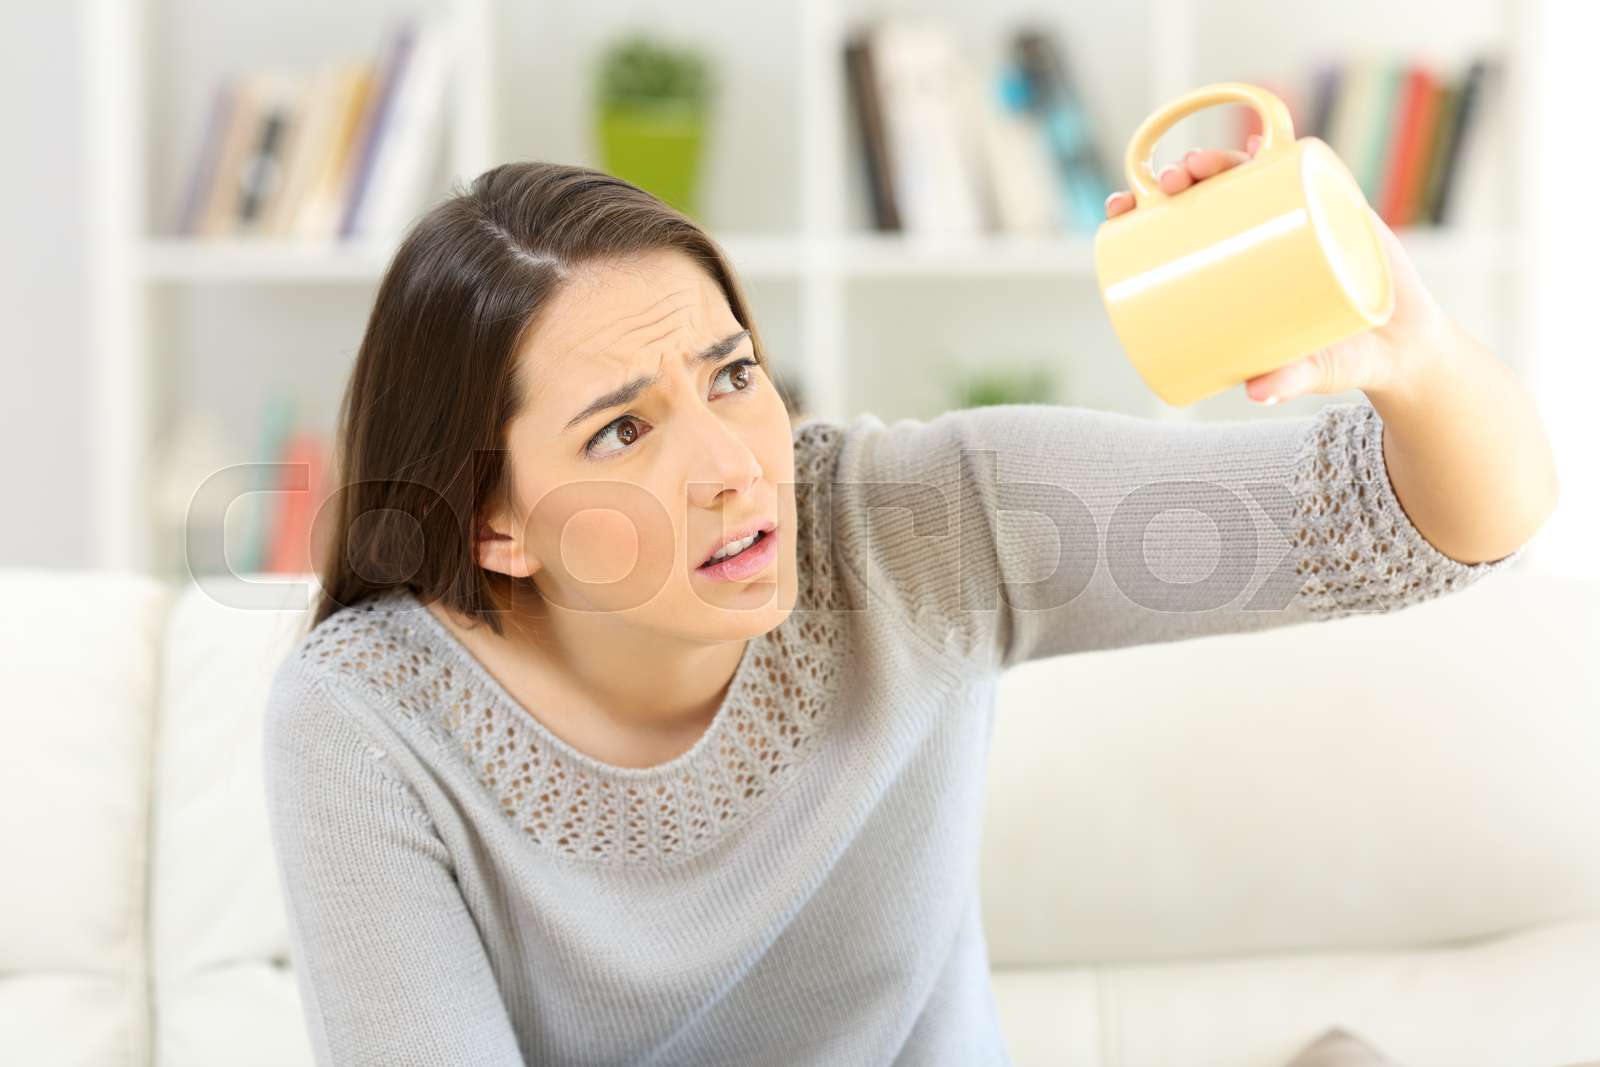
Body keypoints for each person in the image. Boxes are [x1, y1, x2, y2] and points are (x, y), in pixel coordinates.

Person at [261, 154, 1557, 1066]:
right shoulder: (372, 725)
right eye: (621, 432)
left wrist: (1402, 339)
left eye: (734, 375)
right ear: (492, 521)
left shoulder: (912, 527)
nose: (729, 463)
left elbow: (1432, 527)